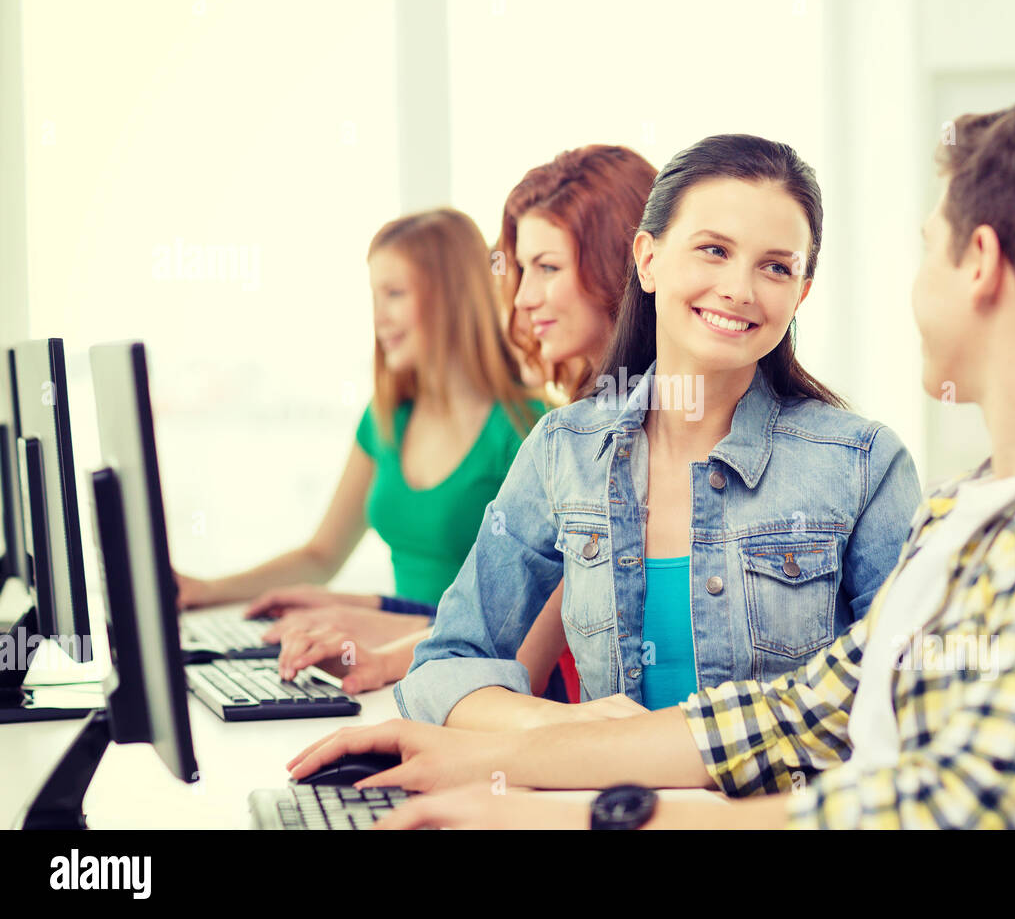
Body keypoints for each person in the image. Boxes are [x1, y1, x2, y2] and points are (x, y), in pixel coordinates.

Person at [289, 97, 1015, 829]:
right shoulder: (990, 509)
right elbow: (794, 713)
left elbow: (945, 813)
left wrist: (577, 810)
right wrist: (479, 759)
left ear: (979, 265)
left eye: (924, 248)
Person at [387, 133, 922, 732]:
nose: (740, 290)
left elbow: (912, 703)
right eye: (714, 250)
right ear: (647, 259)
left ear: (801, 293)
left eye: (775, 266)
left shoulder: (864, 464)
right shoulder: (564, 450)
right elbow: (445, 664)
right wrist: (561, 727)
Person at [269, 145, 658, 699]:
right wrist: (367, 632)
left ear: (624, 263)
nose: (521, 299)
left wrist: (380, 652)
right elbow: (490, 629)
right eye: (521, 269)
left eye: (546, 268)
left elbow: (524, 649)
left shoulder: (550, 428)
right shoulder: (570, 432)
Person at [174, 208, 545, 693]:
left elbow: (529, 623)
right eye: (375, 296)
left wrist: (365, 614)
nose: (379, 317)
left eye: (394, 294)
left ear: (451, 298)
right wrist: (204, 590)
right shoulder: (388, 416)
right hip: (404, 656)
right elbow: (321, 554)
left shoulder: (526, 428)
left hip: (465, 666)